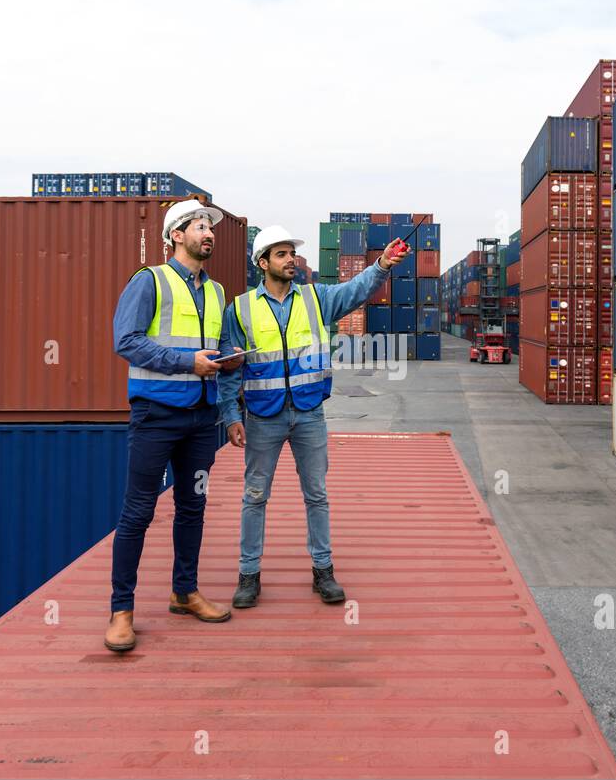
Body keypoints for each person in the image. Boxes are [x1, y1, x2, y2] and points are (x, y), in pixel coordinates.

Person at [216, 226, 409, 608]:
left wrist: (382, 265)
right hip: (262, 416)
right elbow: (229, 368)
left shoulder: (315, 297)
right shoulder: (239, 309)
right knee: (254, 496)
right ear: (263, 263)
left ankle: (323, 571)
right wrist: (229, 415)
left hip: (308, 414)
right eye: (282, 254)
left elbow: (354, 291)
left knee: (317, 495)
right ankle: (248, 575)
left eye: (292, 253)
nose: (291, 260)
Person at [104, 199, 246, 652]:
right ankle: (121, 611)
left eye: (211, 228)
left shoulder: (218, 291)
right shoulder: (150, 281)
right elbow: (125, 341)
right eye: (200, 226)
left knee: (193, 507)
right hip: (156, 417)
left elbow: (217, 348)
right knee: (138, 512)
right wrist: (188, 362)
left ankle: (184, 592)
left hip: (202, 418)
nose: (209, 233)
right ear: (176, 235)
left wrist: (228, 367)